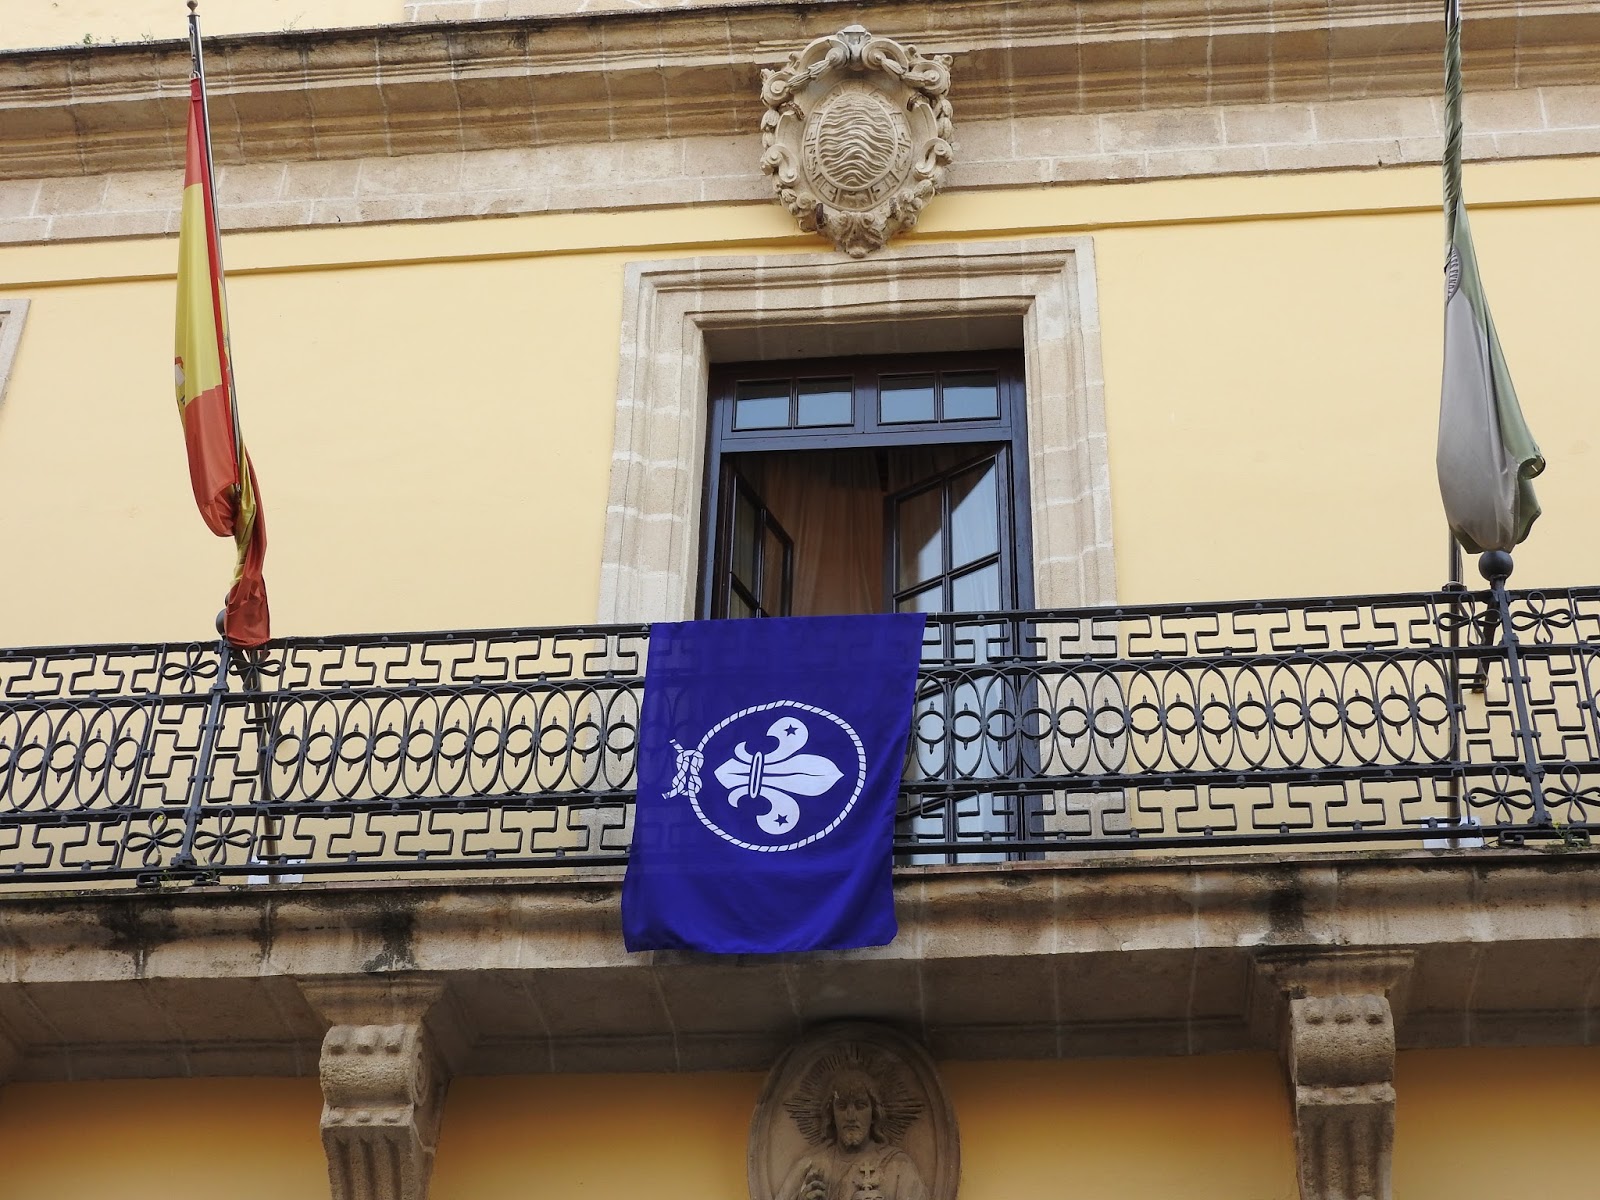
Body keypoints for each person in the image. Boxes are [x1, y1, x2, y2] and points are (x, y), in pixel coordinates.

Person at [777, 1067, 928, 1200]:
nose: (851, 1116)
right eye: (842, 1106)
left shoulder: (898, 1166)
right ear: (832, 1114)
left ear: (874, 1114)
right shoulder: (810, 1166)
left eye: (860, 1105)